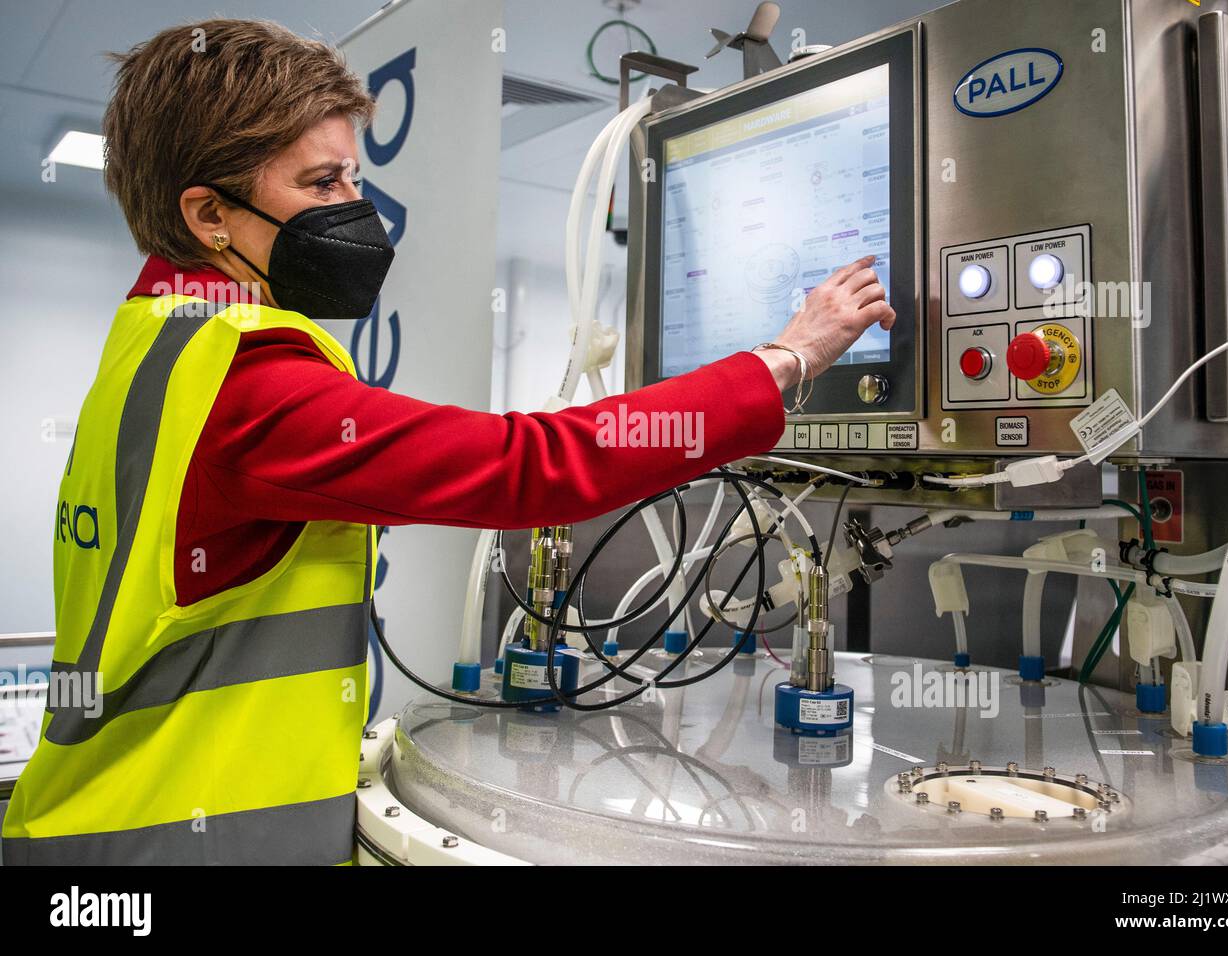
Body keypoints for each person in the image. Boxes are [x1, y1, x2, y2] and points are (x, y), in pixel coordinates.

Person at [2, 19, 894, 864]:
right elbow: (528, 465)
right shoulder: (242, 383)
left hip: (102, 825)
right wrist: (782, 358)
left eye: (353, 178)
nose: (356, 208)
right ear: (209, 216)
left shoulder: (155, 342)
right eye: (321, 186)